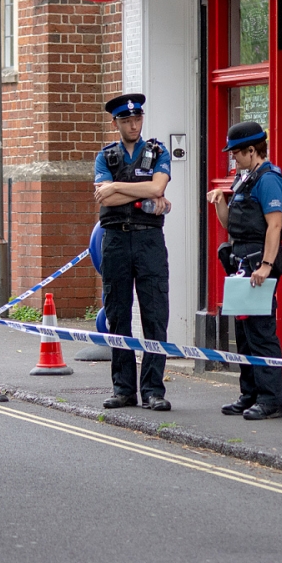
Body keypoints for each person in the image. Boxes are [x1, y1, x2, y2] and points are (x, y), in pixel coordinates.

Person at [206, 121, 282, 420]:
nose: (233, 159)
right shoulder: (245, 179)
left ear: (253, 150)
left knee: (261, 332)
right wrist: (220, 202)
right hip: (243, 261)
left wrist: (266, 265)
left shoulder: (269, 180)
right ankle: (250, 394)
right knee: (244, 332)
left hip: (259, 263)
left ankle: (271, 400)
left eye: (237, 153)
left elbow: (275, 225)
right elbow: (232, 226)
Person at [94, 93, 172, 412]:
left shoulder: (157, 152)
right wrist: (119, 192)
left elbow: (157, 189)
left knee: (155, 315)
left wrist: (117, 187)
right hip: (114, 240)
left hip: (149, 241)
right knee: (118, 315)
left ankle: (153, 389)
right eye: (126, 121)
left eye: (137, 119)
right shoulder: (106, 157)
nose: (133, 125)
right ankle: (123, 388)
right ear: (116, 123)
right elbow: (104, 200)